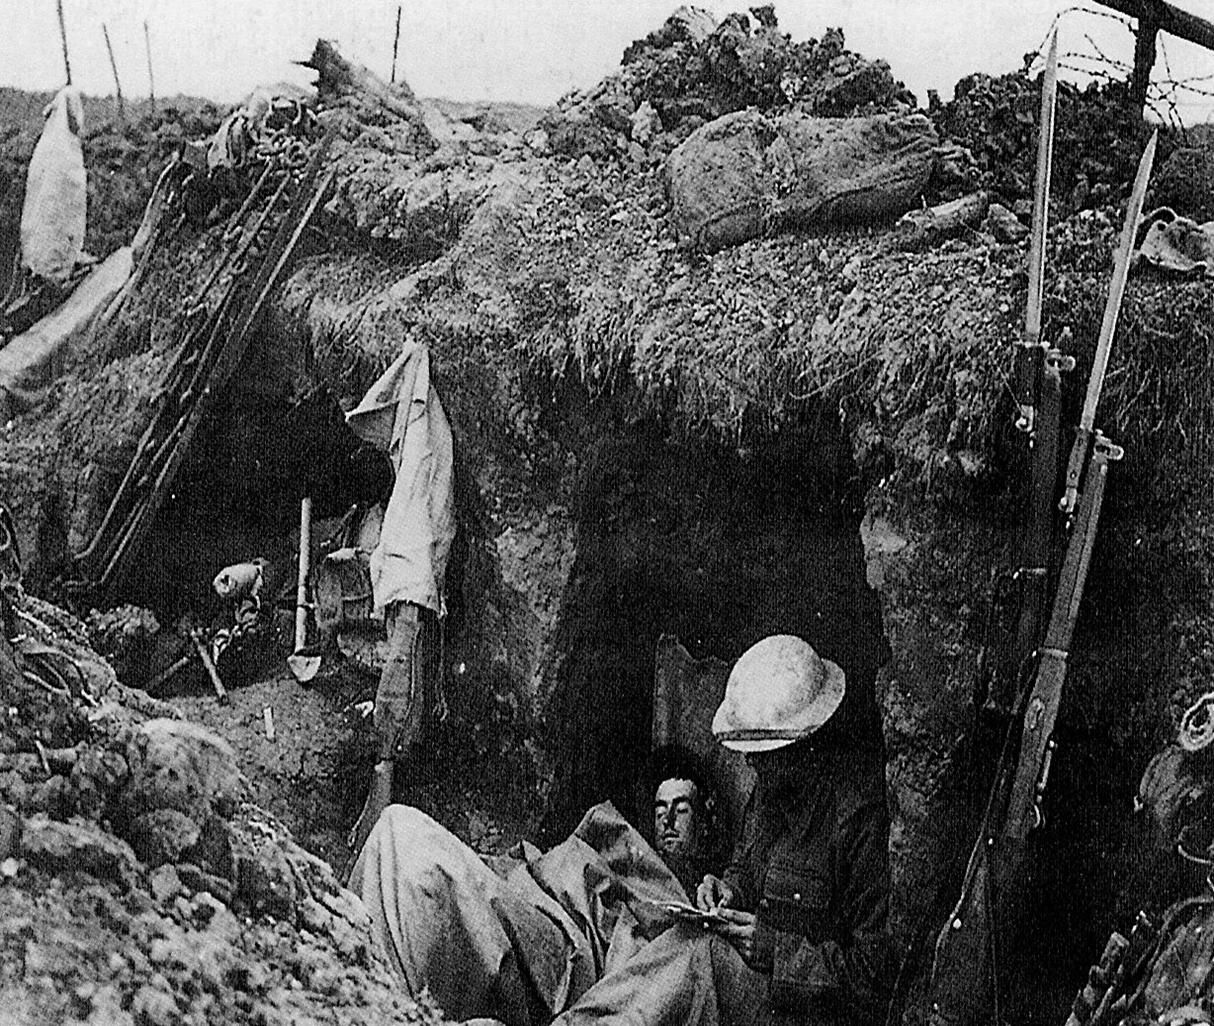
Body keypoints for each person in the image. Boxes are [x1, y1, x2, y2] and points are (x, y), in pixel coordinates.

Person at [550, 634, 896, 1026]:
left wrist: (774, 949)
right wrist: (727, 889)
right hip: (760, 983)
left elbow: (873, 980)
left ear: (804, 746)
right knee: (678, 944)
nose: (752, 764)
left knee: (701, 957)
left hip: (805, 1011)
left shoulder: (859, 821)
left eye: (765, 755)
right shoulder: (772, 791)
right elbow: (746, 869)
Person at [351, 762, 724, 1026]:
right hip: (542, 914)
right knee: (401, 840)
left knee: (404, 836)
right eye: (660, 810)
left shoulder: (699, 894)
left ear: (705, 823)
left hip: (562, 959)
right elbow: (560, 868)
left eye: (681, 809)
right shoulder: (622, 852)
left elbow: (648, 972)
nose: (668, 820)